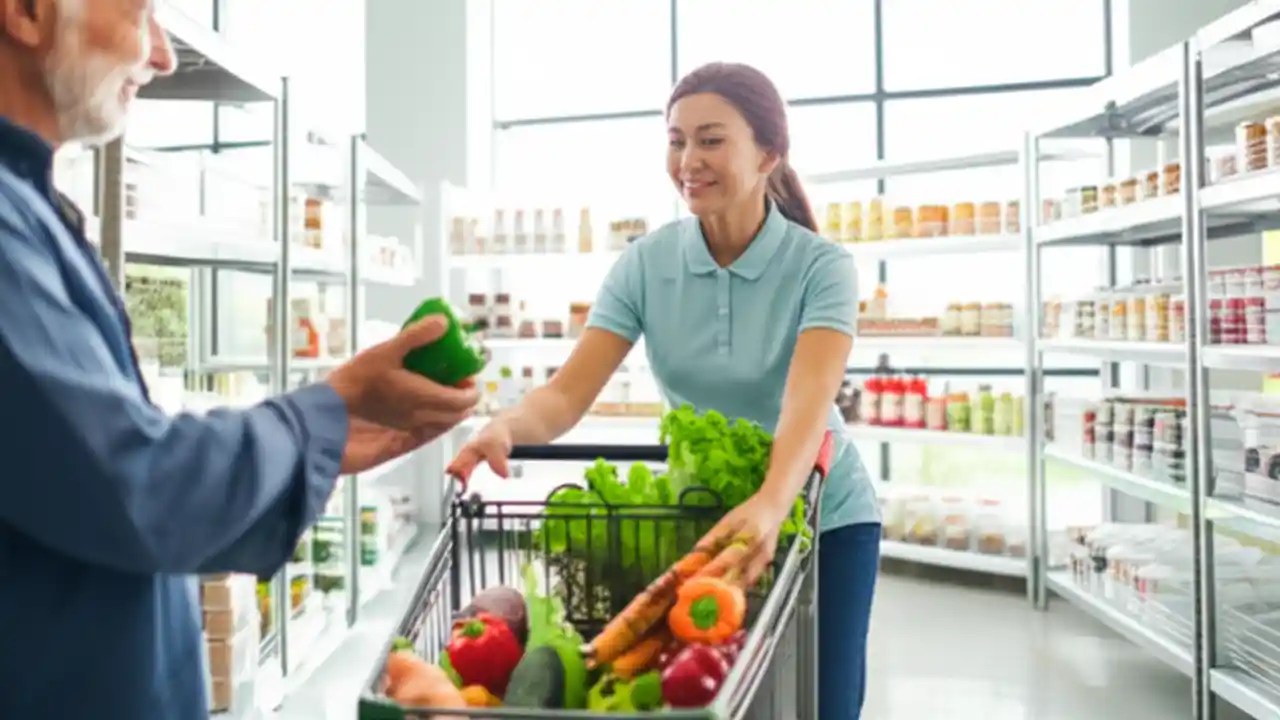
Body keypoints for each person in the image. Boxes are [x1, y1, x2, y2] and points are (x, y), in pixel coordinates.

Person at [0, 2, 479, 718]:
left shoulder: (31, 207)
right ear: (30, 12)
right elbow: (135, 488)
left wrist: (322, 430)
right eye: (141, 13)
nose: (161, 55)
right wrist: (325, 413)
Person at [449, 61, 881, 719]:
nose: (688, 160)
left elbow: (808, 401)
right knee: (714, 699)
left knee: (822, 702)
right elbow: (567, 396)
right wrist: (506, 425)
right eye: (677, 140)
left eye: (711, 140)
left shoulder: (821, 269)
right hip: (706, 520)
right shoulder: (647, 264)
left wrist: (771, 502)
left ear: (769, 152)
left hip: (823, 521)